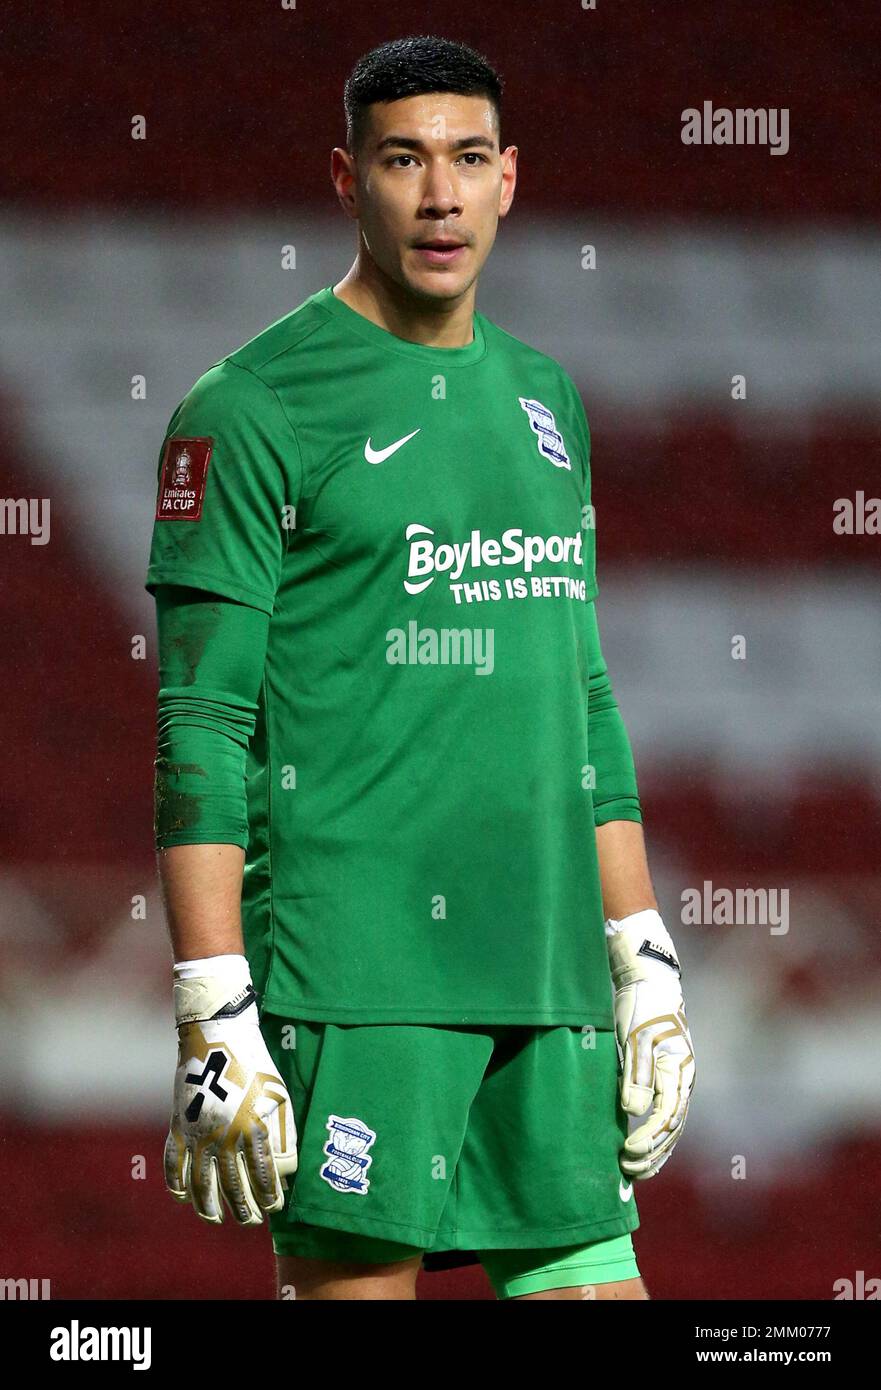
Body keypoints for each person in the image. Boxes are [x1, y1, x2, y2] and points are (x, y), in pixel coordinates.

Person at [146, 33, 696, 1302]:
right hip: (359, 981)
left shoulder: (546, 399)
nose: (438, 196)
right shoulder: (248, 409)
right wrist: (213, 1007)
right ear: (347, 181)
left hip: (546, 974)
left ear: (510, 177)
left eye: (465, 159)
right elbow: (199, 721)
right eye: (402, 160)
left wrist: (641, 957)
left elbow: (585, 700)